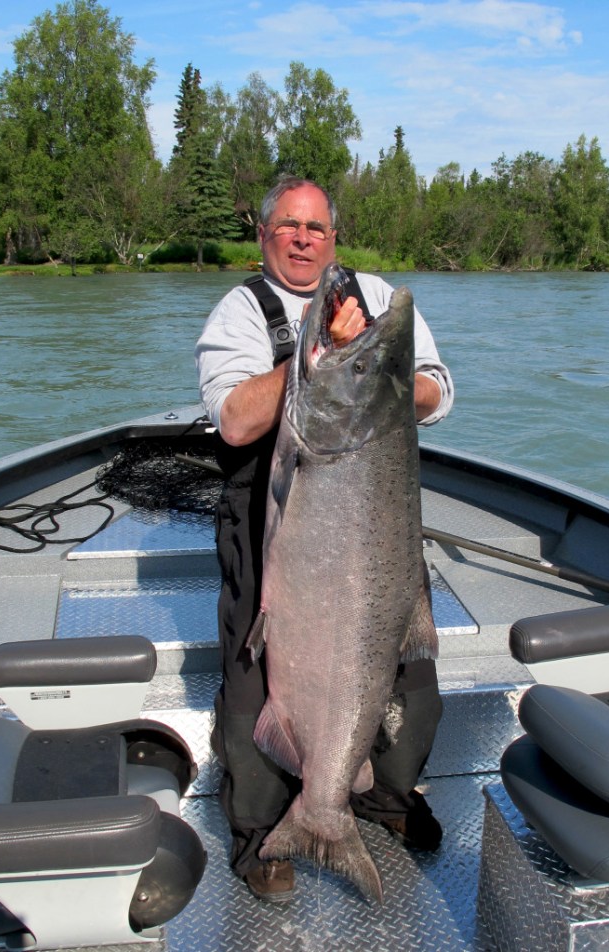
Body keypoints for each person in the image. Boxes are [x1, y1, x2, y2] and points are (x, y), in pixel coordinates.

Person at [195, 177, 454, 903]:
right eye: (288, 226)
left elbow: (437, 390)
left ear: (334, 237)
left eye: (316, 227)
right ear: (265, 236)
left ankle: (381, 797)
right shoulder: (242, 311)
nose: (304, 239)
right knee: (255, 694)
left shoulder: (372, 295)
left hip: (377, 517)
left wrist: (375, 362)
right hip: (272, 516)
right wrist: (313, 363)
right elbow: (237, 421)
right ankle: (262, 835)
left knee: (412, 680)